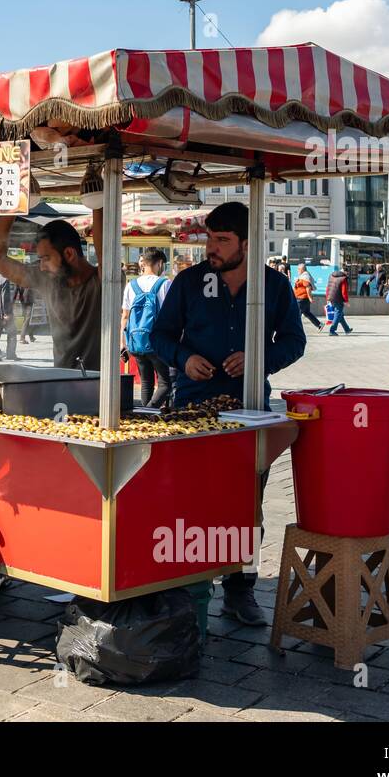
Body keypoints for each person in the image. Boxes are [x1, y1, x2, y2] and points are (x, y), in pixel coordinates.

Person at [152, 202, 306, 626]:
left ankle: (241, 590)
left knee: (246, 504)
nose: (211, 249)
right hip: (192, 408)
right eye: (209, 238)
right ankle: (187, 585)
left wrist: (258, 359)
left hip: (249, 410)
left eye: (221, 240)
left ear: (246, 243)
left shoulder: (274, 287)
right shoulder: (188, 282)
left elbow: (294, 341)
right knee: (191, 500)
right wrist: (183, 359)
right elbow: (159, 336)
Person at [0, 211, 104, 370]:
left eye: (46, 258)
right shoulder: (48, 280)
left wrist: (98, 204)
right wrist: (13, 206)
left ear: (69, 254)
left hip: (101, 388)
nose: (41, 266)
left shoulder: (103, 281)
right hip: (59, 381)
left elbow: (106, 254)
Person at [120, 247, 172, 408]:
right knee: (165, 383)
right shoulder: (165, 284)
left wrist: (123, 344)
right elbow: (171, 314)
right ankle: (148, 412)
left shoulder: (131, 285)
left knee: (146, 382)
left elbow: (125, 317)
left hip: (136, 342)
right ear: (160, 263)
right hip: (157, 342)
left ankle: (144, 414)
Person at [292, 264, 322, 330]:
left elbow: (308, 287)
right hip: (302, 298)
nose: (297, 270)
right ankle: (319, 324)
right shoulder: (303, 276)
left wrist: (310, 297)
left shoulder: (305, 277)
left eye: (298, 269)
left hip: (302, 298)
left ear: (302, 269)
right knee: (307, 313)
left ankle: (295, 328)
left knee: (297, 314)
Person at [325, 265, 352, 335]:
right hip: (338, 298)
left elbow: (328, 287)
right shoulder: (343, 278)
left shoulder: (331, 276)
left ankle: (347, 329)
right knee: (338, 313)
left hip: (331, 297)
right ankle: (332, 330)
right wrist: (346, 301)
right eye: (347, 273)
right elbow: (344, 291)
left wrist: (327, 297)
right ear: (345, 272)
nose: (347, 274)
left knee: (340, 314)